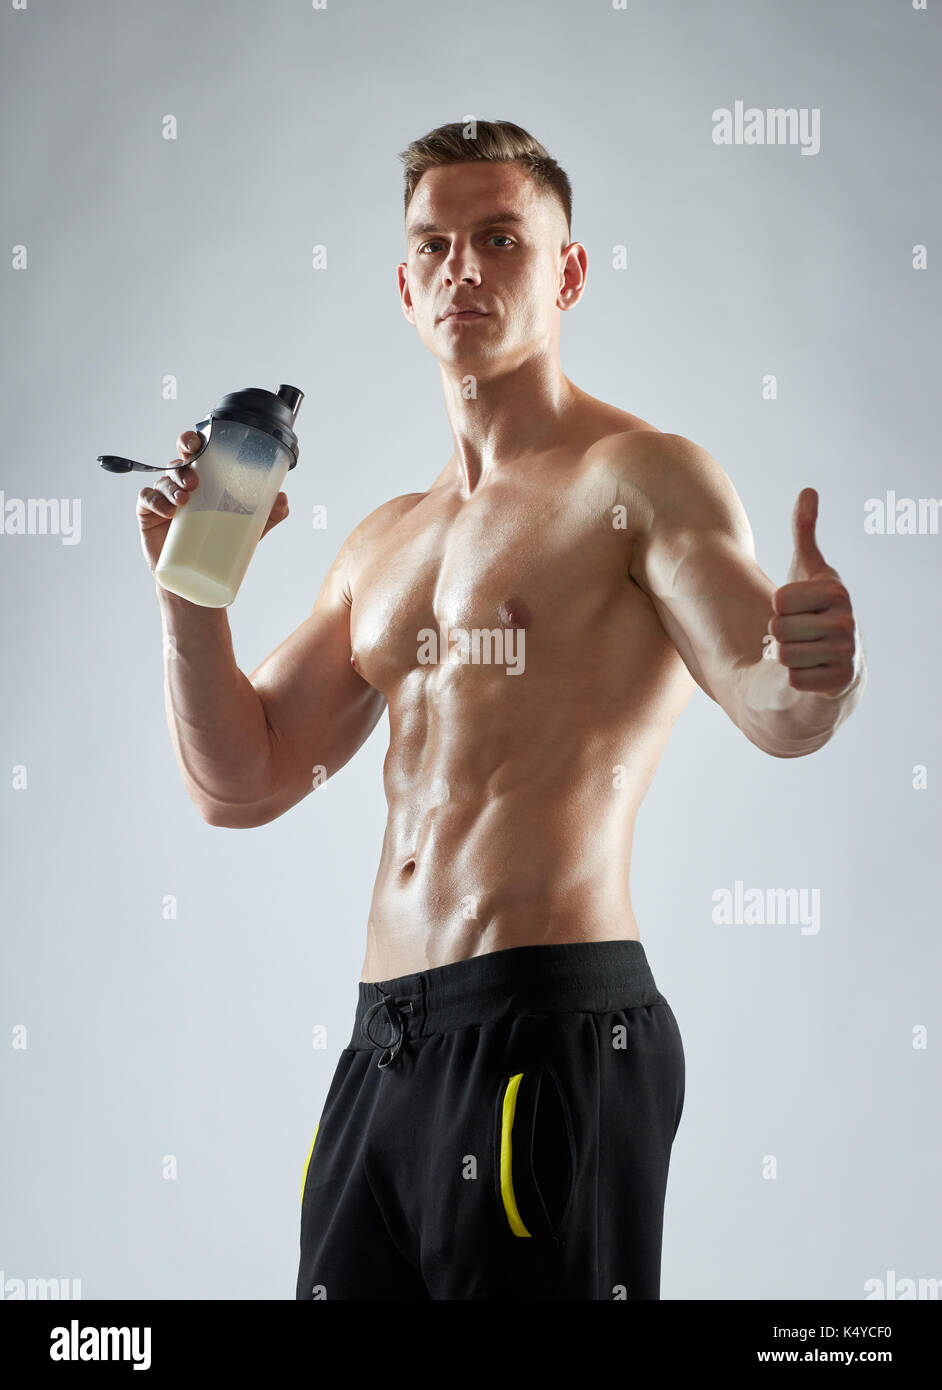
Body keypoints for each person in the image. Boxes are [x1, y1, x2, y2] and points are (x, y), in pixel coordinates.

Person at [138, 120, 867, 1300]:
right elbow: (244, 780)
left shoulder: (637, 478)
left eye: (499, 239)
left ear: (566, 271)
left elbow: (770, 699)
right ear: (404, 284)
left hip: (549, 1030)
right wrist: (188, 596)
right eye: (435, 245)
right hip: (383, 1047)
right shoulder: (384, 540)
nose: (462, 269)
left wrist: (818, 667)